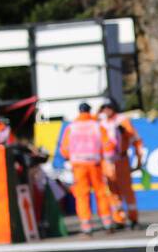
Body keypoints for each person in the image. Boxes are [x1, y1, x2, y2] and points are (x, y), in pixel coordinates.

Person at [60, 102, 113, 235]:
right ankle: (107, 222)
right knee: (101, 193)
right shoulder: (97, 126)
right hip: (95, 164)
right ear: (90, 111)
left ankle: (86, 225)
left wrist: (73, 157)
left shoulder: (72, 127)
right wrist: (107, 160)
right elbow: (108, 145)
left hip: (78, 166)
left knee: (82, 195)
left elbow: (64, 150)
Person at [99, 98, 144, 228]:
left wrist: (139, 159)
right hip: (107, 162)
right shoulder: (101, 123)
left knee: (127, 191)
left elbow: (135, 139)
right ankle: (118, 218)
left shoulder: (122, 121)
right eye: (104, 108)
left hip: (121, 160)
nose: (107, 110)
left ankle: (133, 218)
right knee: (112, 192)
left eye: (109, 107)